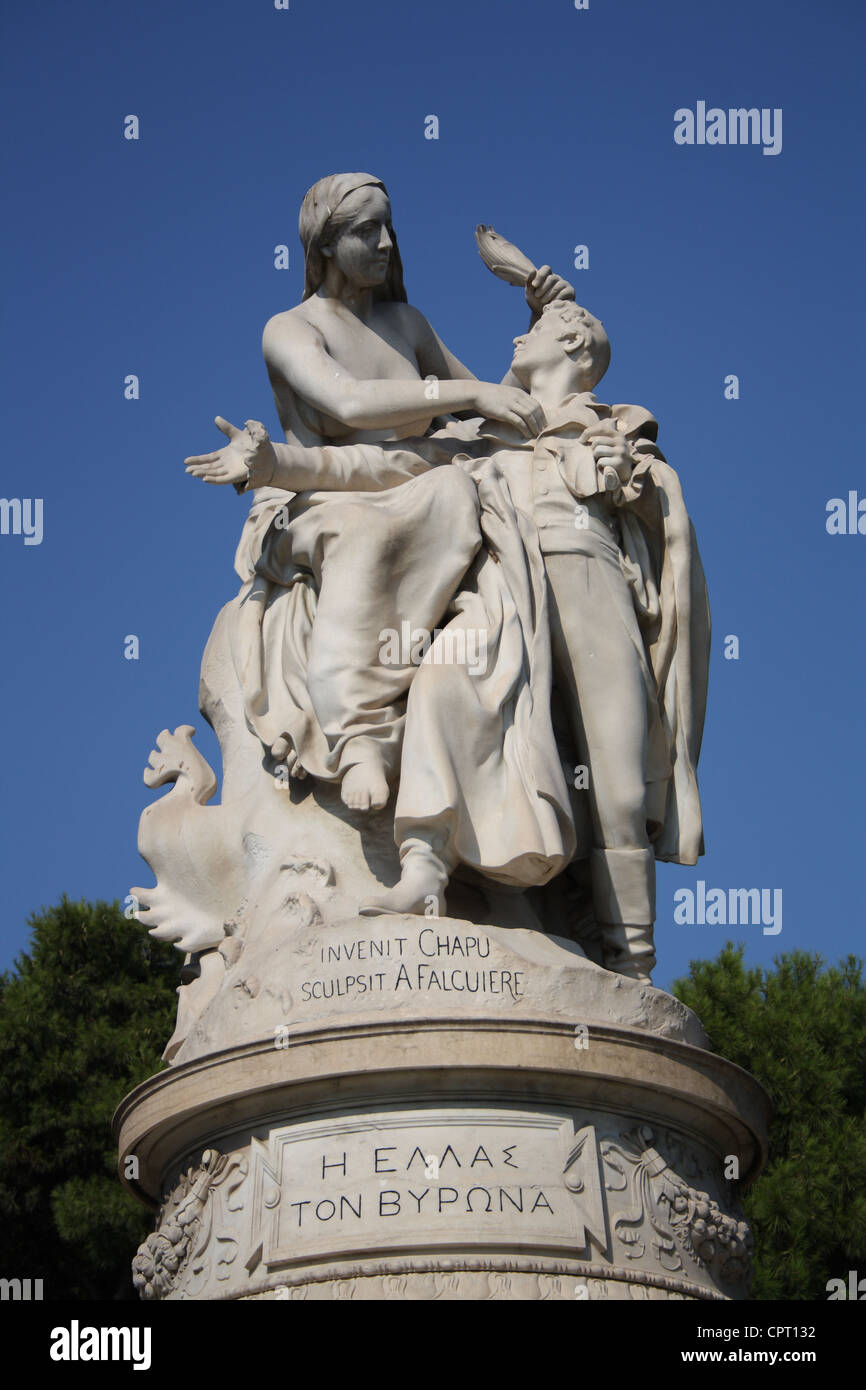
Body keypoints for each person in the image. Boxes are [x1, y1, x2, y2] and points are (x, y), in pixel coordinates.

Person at [186, 298, 710, 983]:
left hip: (590, 585)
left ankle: (631, 961)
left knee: (616, 785)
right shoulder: (475, 438)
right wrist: (271, 464)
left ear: (577, 346)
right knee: (438, 683)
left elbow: (663, 518)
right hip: (508, 595)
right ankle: (424, 867)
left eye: (541, 328)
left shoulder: (615, 430)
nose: (517, 335)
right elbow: (373, 469)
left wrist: (636, 483)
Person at [196, 171, 571, 811]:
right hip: (326, 495)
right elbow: (351, 401)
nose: (387, 243)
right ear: (322, 246)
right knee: (365, 533)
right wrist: (469, 394)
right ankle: (359, 735)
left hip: (425, 482)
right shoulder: (289, 328)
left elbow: (490, 409)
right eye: (367, 230)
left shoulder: (408, 323)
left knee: (467, 499)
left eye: (389, 227)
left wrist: (541, 323)